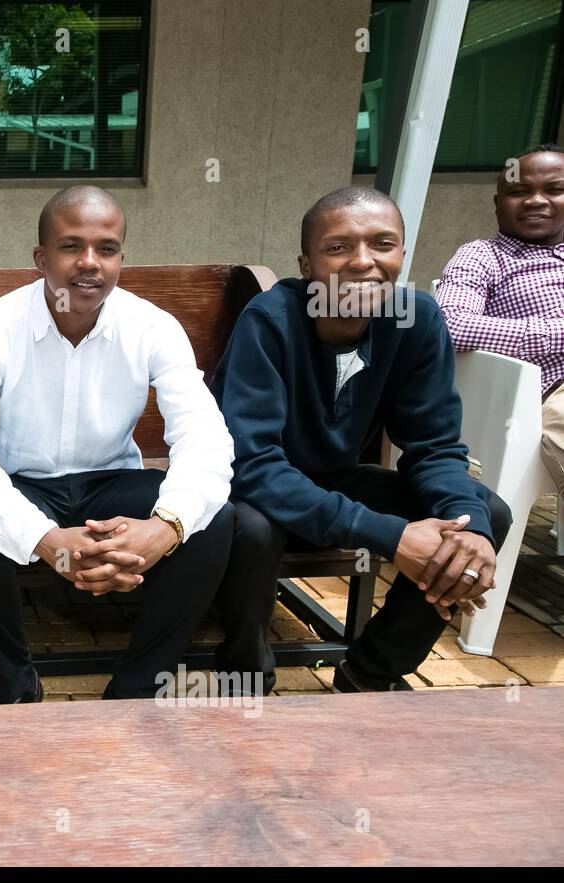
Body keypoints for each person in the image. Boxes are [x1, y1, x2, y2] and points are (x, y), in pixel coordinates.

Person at [0, 185, 236, 705]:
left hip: (110, 484)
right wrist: (48, 542)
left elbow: (205, 439)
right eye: (71, 246)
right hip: (24, 484)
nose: (90, 263)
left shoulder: (152, 327)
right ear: (41, 257)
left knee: (214, 519)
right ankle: (14, 687)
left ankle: (138, 686)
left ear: (122, 257)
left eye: (108, 248)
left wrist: (162, 529)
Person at [212, 186, 513, 694]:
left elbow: (433, 447)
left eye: (382, 244)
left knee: (485, 512)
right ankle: (245, 676)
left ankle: (370, 675)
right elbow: (253, 465)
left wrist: (471, 533)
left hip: (336, 483)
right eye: (338, 248)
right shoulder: (270, 321)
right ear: (306, 265)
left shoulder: (415, 319)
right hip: (255, 493)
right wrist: (393, 536)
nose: (363, 262)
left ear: (402, 254)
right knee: (248, 526)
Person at [436, 143, 564, 496]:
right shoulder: (482, 256)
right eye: (519, 191)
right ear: (497, 204)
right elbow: (450, 324)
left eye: (554, 189)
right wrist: (557, 334)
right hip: (540, 396)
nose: (536, 200)